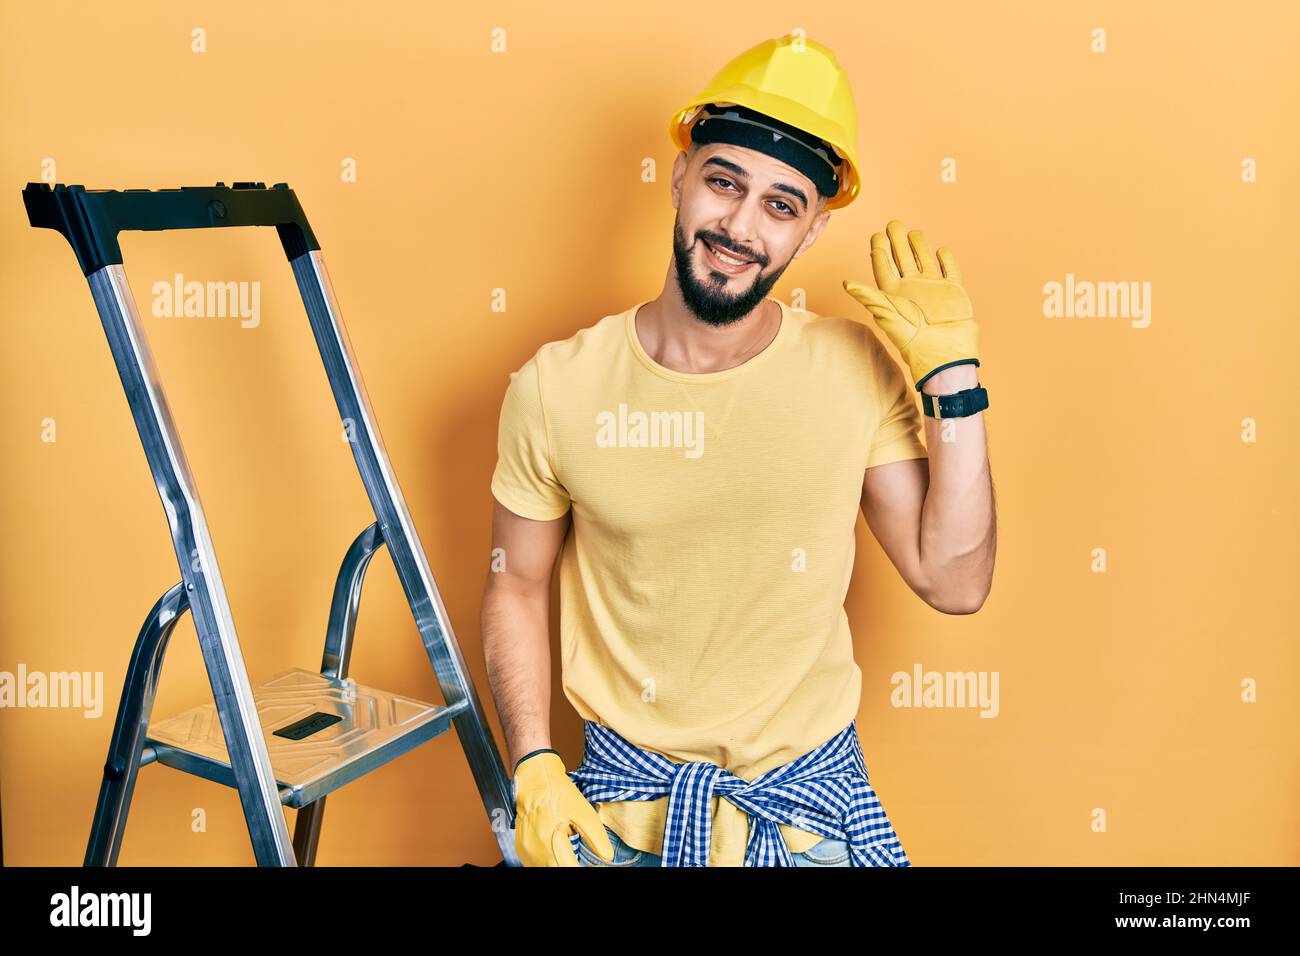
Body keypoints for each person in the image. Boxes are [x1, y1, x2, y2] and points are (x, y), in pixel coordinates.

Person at [482, 33, 996, 868]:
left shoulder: (854, 369)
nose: (740, 227)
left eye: (780, 205)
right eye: (724, 183)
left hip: (808, 815)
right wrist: (534, 762)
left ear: (812, 230)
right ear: (680, 175)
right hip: (617, 815)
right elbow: (516, 583)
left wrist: (955, 387)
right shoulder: (555, 388)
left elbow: (956, 580)